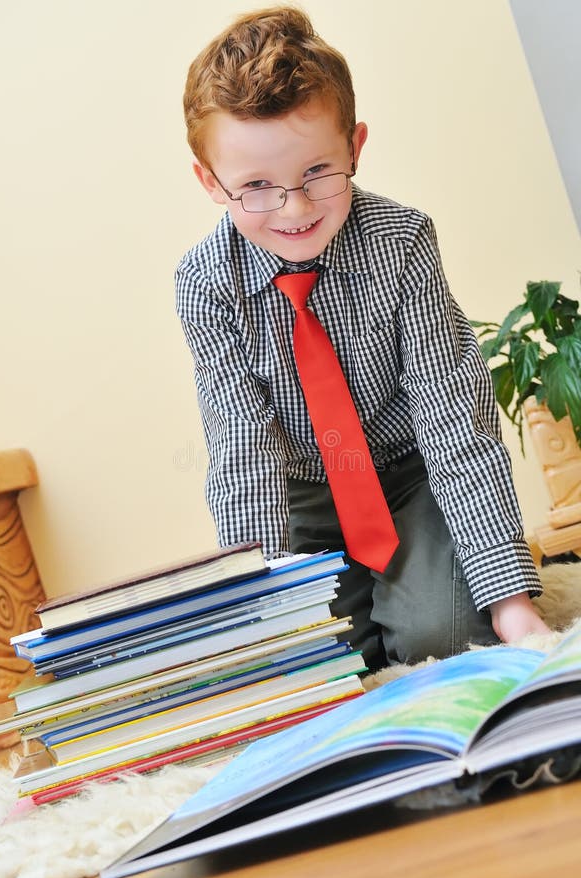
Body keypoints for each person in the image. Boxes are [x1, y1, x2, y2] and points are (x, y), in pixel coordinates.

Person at [175, 5, 550, 669]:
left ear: (355, 146)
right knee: (314, 657)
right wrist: (259, 620)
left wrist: (516, 612)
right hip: (303, 495)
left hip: (411, 476)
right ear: (209, 183)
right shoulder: (207, 285)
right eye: (256, 186)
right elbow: (242, 452)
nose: (294, 207)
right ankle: (357, 610)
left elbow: (456, 423)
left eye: (318, 172)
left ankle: (451, 580)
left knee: (444, 638)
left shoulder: (402, 242)